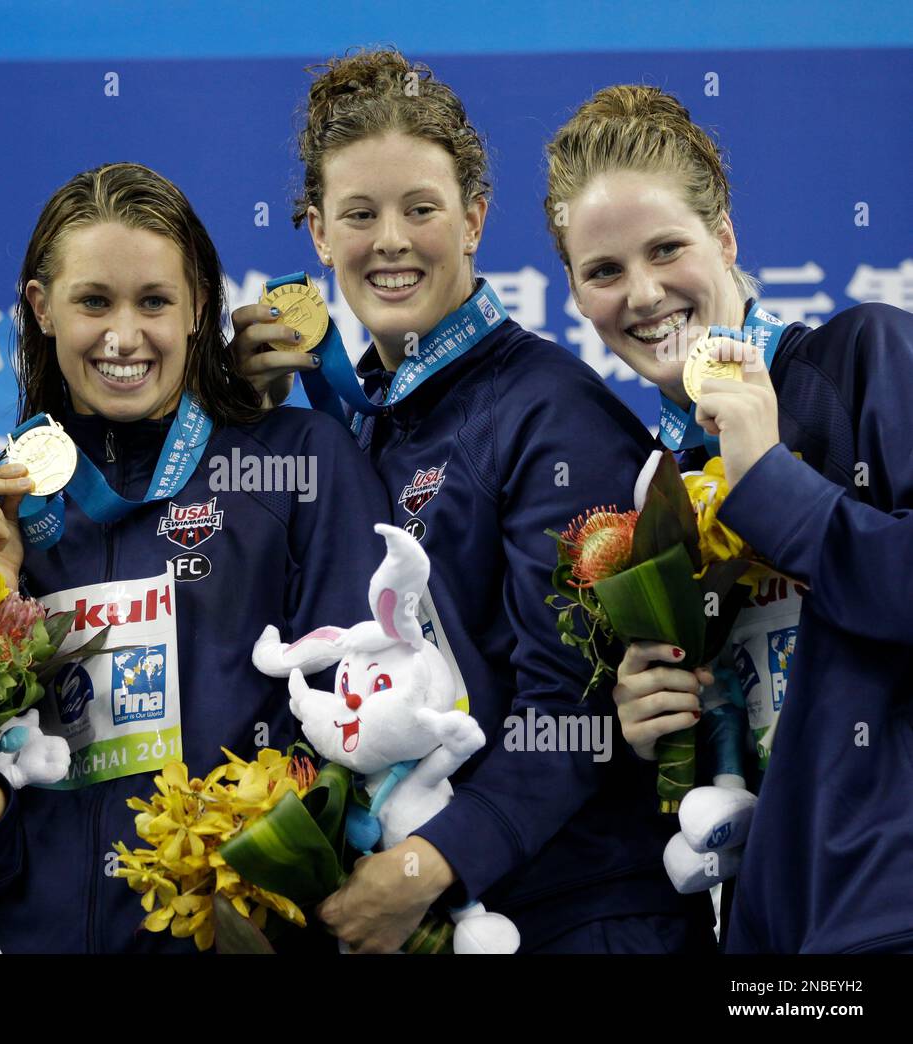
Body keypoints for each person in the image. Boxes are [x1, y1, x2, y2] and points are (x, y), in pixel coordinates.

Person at [234, 49, 708, 954]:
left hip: (589, 914)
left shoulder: (551, 413)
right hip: (457, 915)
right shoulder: (354, 421)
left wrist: (425, 863)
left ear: (475, 219)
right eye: (359, 215)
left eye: (422, 208)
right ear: (317, 237)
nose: (393, 241)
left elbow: (574, 708)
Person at [0, 162, 391, 952]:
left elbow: (366, 732)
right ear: (41, 308)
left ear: (199, 305)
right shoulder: (10, 512)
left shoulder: (298, 461)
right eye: (93, 301)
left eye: (154, 301)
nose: (123, 336)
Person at [545, 83, 913, 953]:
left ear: (726, 238)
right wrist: (651, 720)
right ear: (574, 293)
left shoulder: (867, 357)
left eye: (666, 248)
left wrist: (771, 488)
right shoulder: (657, 483)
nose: (641, 295)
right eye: (603, 272)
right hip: (767, 938)